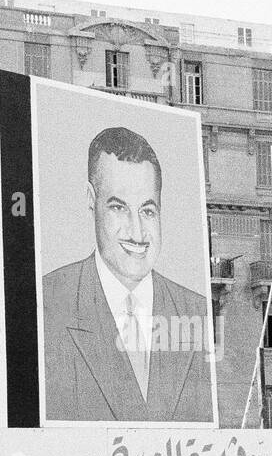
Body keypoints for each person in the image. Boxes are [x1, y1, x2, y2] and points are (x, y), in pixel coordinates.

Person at [41, 126, 214, 423]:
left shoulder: (198, 311)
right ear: (90, 198)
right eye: (119, 207)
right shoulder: (47, 302)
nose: (136, 233)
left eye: (147, 211)